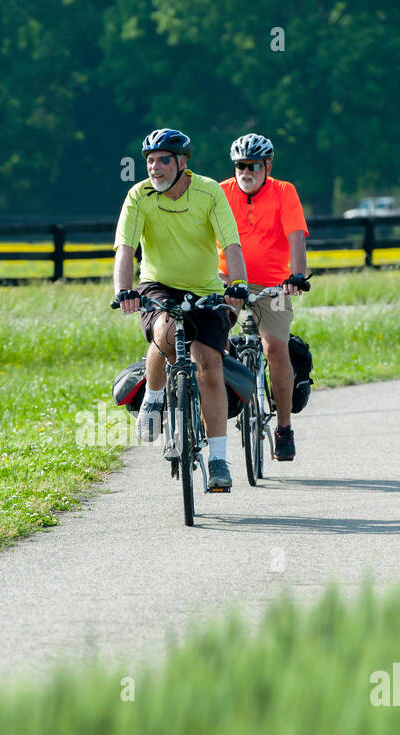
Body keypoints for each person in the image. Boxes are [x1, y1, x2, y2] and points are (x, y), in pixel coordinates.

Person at [113, 128, 250, 492]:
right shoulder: (138, 195)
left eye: (162, 160)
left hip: (205, 289)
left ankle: (219, 458)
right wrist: (123, 291)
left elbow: (231, 243)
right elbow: (125, 248)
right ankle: (153, 400)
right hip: (158, 285)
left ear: (182, 163)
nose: (154, 168)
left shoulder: (208, 191)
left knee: (209, 362)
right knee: (166, 333)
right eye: (150, 161)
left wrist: (237, 285)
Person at [219, 133, 310, 461]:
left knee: (274, 348)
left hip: (273, 284)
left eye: (253, 166)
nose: (245, 171)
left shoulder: (284, 192)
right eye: (240, 166)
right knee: (211, 340)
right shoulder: (219, 193)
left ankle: (284, 429)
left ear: (267, 166)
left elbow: (296, 237)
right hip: (228, 281)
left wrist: (296, 277)